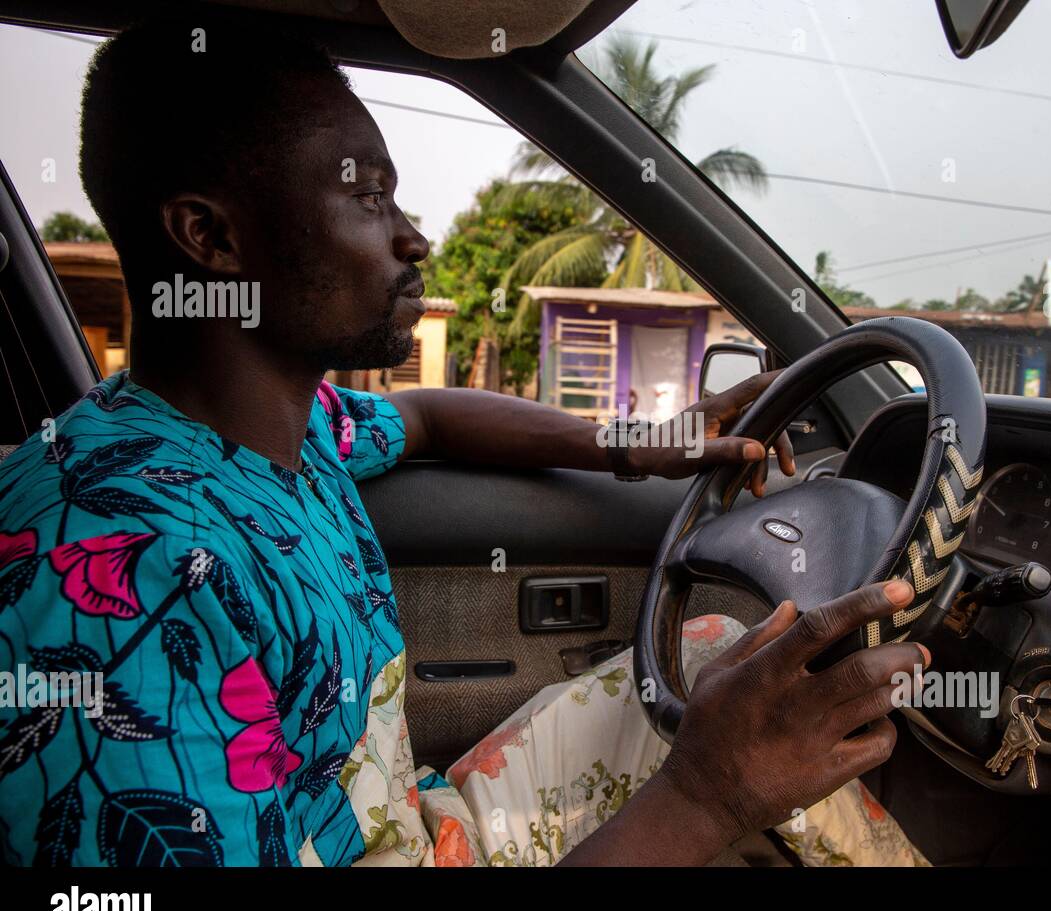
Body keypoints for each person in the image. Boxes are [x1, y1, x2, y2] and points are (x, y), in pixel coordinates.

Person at [0, 10, 928, 867]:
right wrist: (708, 794)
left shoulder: (280, 426)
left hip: (410, 826)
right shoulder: (115, 585)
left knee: (730, 651)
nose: (414, 240)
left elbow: (429, 413)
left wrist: (652, 441)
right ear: (211, 238)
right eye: (369, 199)